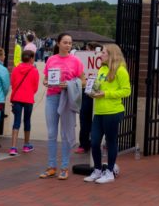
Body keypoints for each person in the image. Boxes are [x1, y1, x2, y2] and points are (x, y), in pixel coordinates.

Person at [40, 33, 84, 180]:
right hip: (52, 97)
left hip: (67, 97)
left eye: (70, 43)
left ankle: (64, 167)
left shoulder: (76, 61)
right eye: (65, 42)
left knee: (65, 133)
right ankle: (51, 166)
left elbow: (83, 81)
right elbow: (46, 78)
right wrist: (46, 82)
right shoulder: (51, 59)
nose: (68, 45)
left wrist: (70, 84)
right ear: (58, 43)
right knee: (52, 133)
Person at [85, 43, 131, 184]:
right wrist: (92, 89)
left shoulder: (121, 70)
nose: (101, 54)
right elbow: (99, 87)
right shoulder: (102, 69)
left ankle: (110, 171)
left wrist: (106, 93)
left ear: (111, 54)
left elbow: (126, 91)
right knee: (94, 141)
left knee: (111, 142)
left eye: (103, 52)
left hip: (113, 111)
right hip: (99, 111)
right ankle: (97, 170)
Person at [9, 48, 40, 155]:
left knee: (16, 121)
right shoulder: (34, 70)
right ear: (31, 59)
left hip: (17, 97)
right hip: (28, 98)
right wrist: (30, 92)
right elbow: (35, 87)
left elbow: (13, 83)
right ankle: (26, 144)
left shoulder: (16, 69)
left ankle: (13, 147)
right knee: (27, 120)